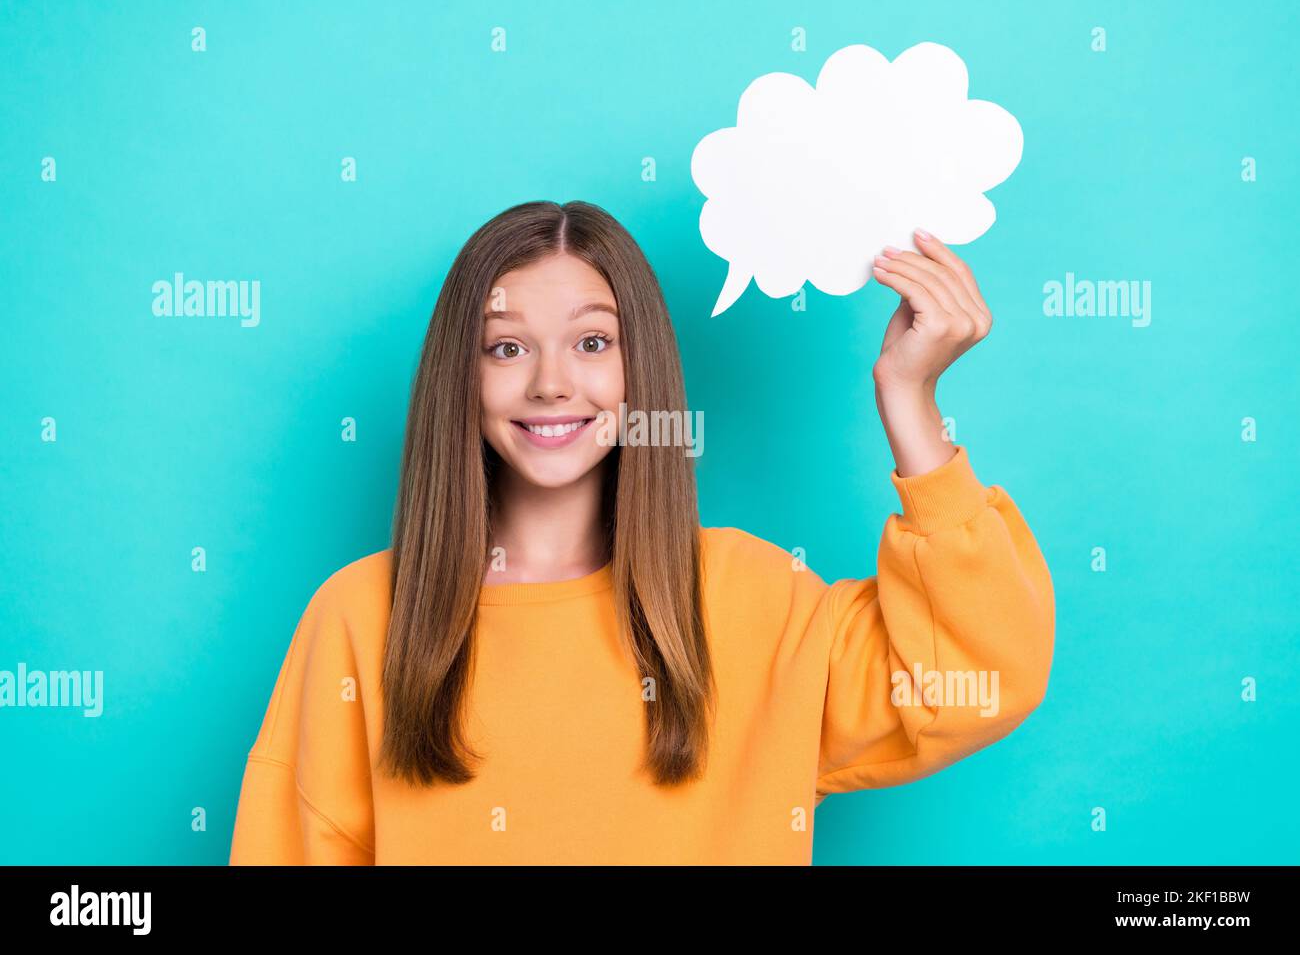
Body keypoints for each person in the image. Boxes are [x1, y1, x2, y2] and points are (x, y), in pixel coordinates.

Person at [229, 200, 1054, 865]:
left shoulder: (753, 599)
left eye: (592, 342)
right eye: (507, 347)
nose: (552, 384)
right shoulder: (362, 616)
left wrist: (909, 399)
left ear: (641, 369)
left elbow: (979, 673)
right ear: (462, 377)